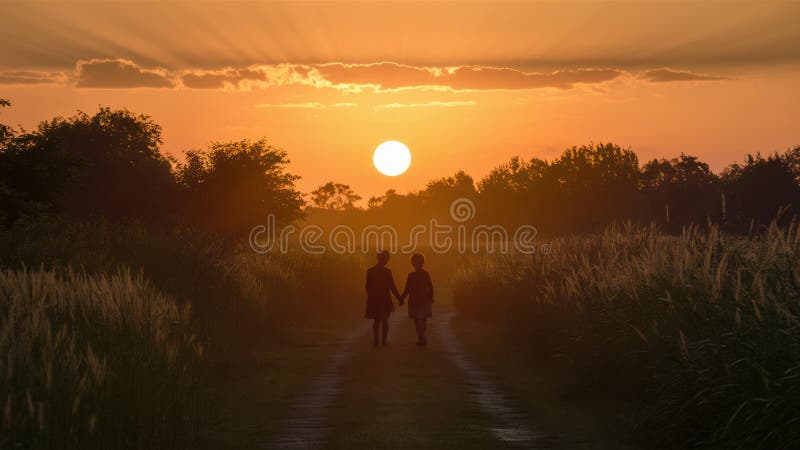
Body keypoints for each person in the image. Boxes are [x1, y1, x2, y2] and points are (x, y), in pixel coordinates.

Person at [365, 250, 402, 347]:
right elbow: (392, 287)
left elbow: (367, 286)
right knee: (385, 320)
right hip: (385, 299)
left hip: (375, 300)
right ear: (385, 259)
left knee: (377, 320)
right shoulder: (387, 272)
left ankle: (376, 341)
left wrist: (372, 296)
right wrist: (399, 298)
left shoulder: (370, 271)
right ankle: (384, 341)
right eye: (386, 259)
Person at [400, 253, 434, 346]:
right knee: (423, 319)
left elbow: (407, 289)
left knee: (417, 319)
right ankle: (422, 337)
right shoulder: (425, 274)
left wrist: (401, 298)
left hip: (415, 300)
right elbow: (430, 287)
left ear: (413, 263)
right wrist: (431, 297)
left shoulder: (411, 275)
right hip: (424, 299)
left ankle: (421, 337)